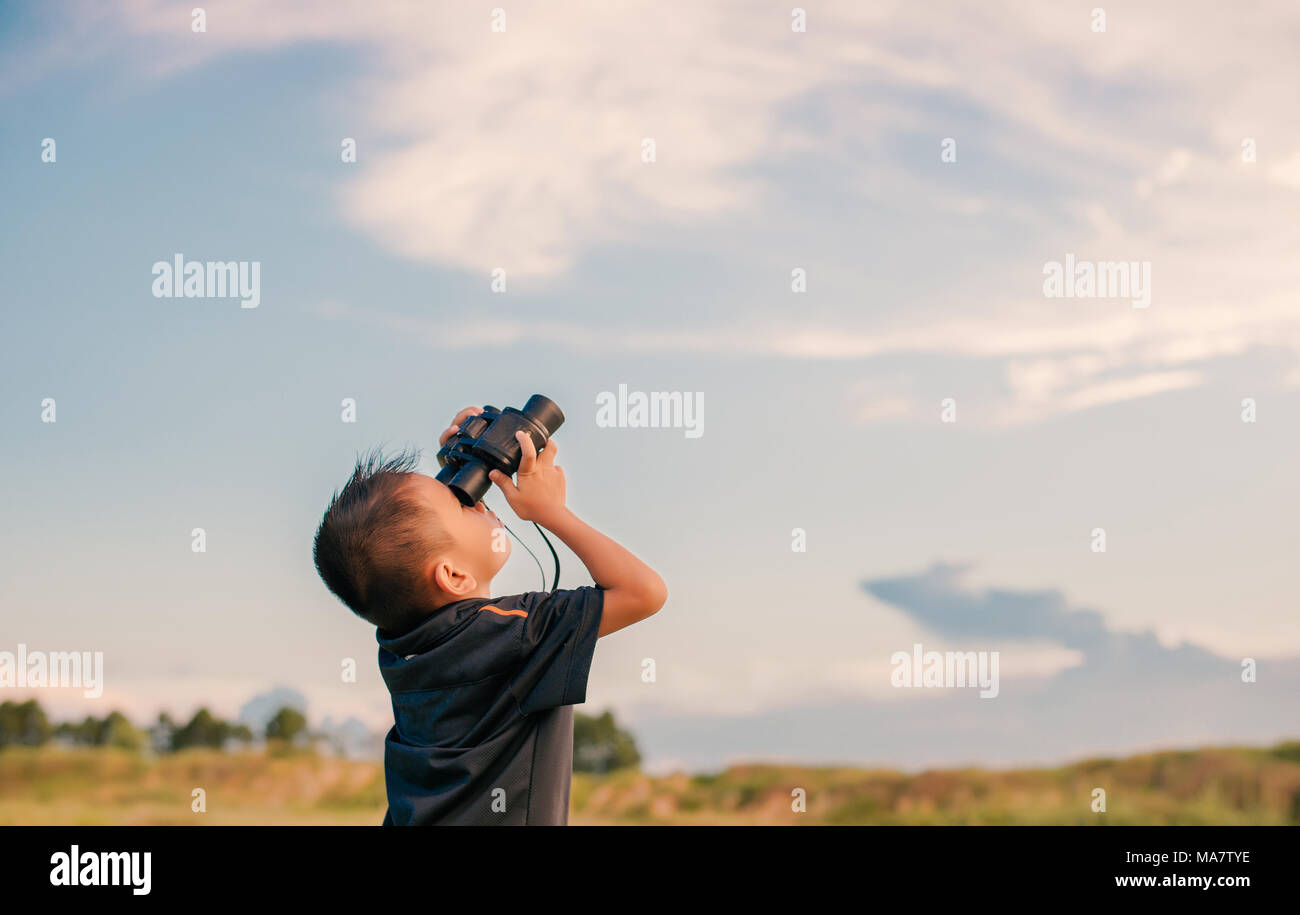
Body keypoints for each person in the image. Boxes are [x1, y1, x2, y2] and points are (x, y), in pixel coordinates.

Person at [312, 406, 667, 824]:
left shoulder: (399, 645)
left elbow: (416, 566)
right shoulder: (517, 634)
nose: (478, 504)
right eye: (463, 504)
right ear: (453, 575)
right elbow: (644, 592)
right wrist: (550, 512)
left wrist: (450, 481)